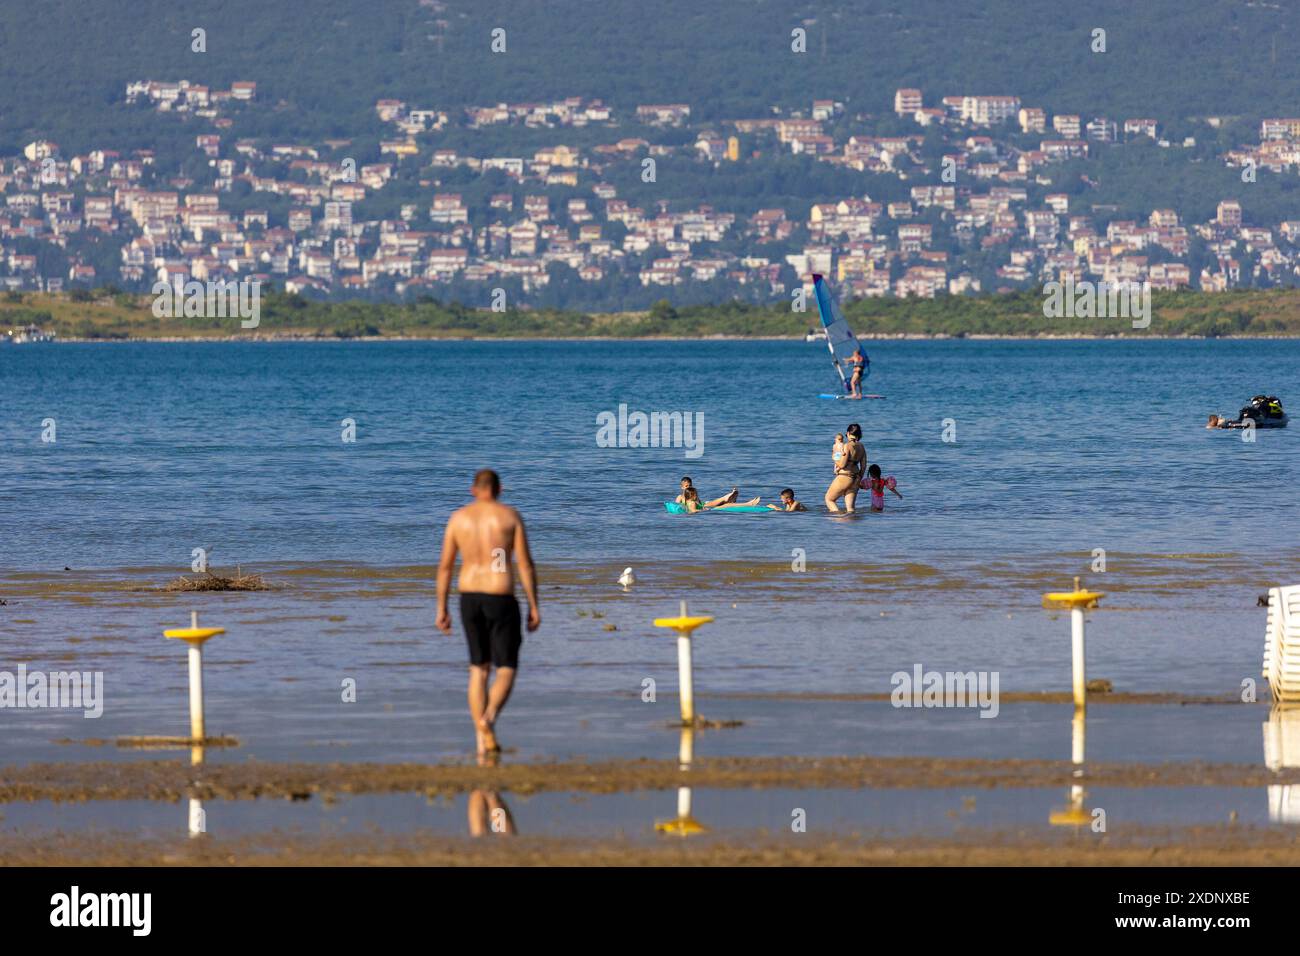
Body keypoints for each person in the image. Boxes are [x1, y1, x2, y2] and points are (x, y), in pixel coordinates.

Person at [436, 469, 540, 758]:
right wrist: (534, 605)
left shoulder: (458, 519)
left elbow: (445, 567)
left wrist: (441, 607)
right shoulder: (509, 517)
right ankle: (488, 718)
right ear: (500, 489)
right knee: (506, 668)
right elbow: (525, 565)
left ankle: (481, 741)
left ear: (473, 490)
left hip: (469, 597)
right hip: (501, 597)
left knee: (478, 670)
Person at [825, 423, 866, 513]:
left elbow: (842, 465)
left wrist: (833, 457)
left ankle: (839, 519)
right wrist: (859, 479)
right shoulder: (861, 446)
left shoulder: (847, 446)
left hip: (844, 476)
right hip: (856, 477)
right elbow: (863, 466)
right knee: (850, 508)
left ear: (847, 433)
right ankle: (851, 524)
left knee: (829, 499)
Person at [682, 486, 762, 512]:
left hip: (707, 508)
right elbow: (693, 511)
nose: (697, 495)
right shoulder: (692, 503)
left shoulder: (690, 501)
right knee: (727, 504)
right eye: (696, 494)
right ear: (692, 495)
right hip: (709, 510)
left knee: (726, 504)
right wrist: (704, 510)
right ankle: (749, 504)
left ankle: (731, 499)